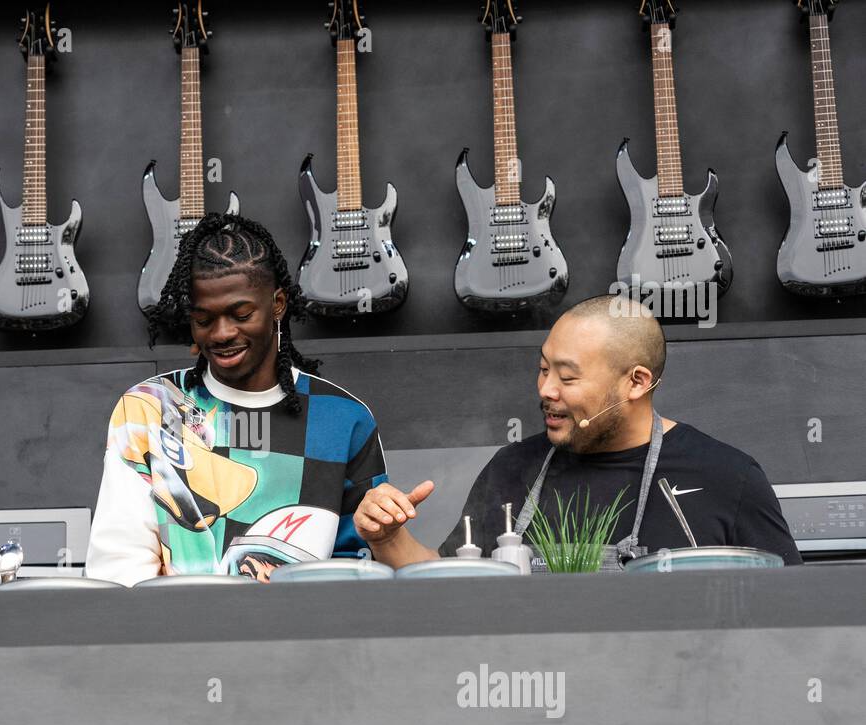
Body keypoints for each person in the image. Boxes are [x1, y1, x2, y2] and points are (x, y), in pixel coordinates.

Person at [356, 294, 801, 570]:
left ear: (637, 382)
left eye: (567, 378)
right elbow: (449, 587)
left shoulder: (727, 476)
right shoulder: (513, 470)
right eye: (543, 369)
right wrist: (388, 538)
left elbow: (789, 615)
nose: (546, 390)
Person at [87, 213, 389, 584]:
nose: (221, 333)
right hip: (173, 636)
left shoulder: (343, 418)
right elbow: (119, 571)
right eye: (203, 319)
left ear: (278, 304)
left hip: (302, 637)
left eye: (241, 314)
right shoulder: (150, 407)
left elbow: (356, 568)